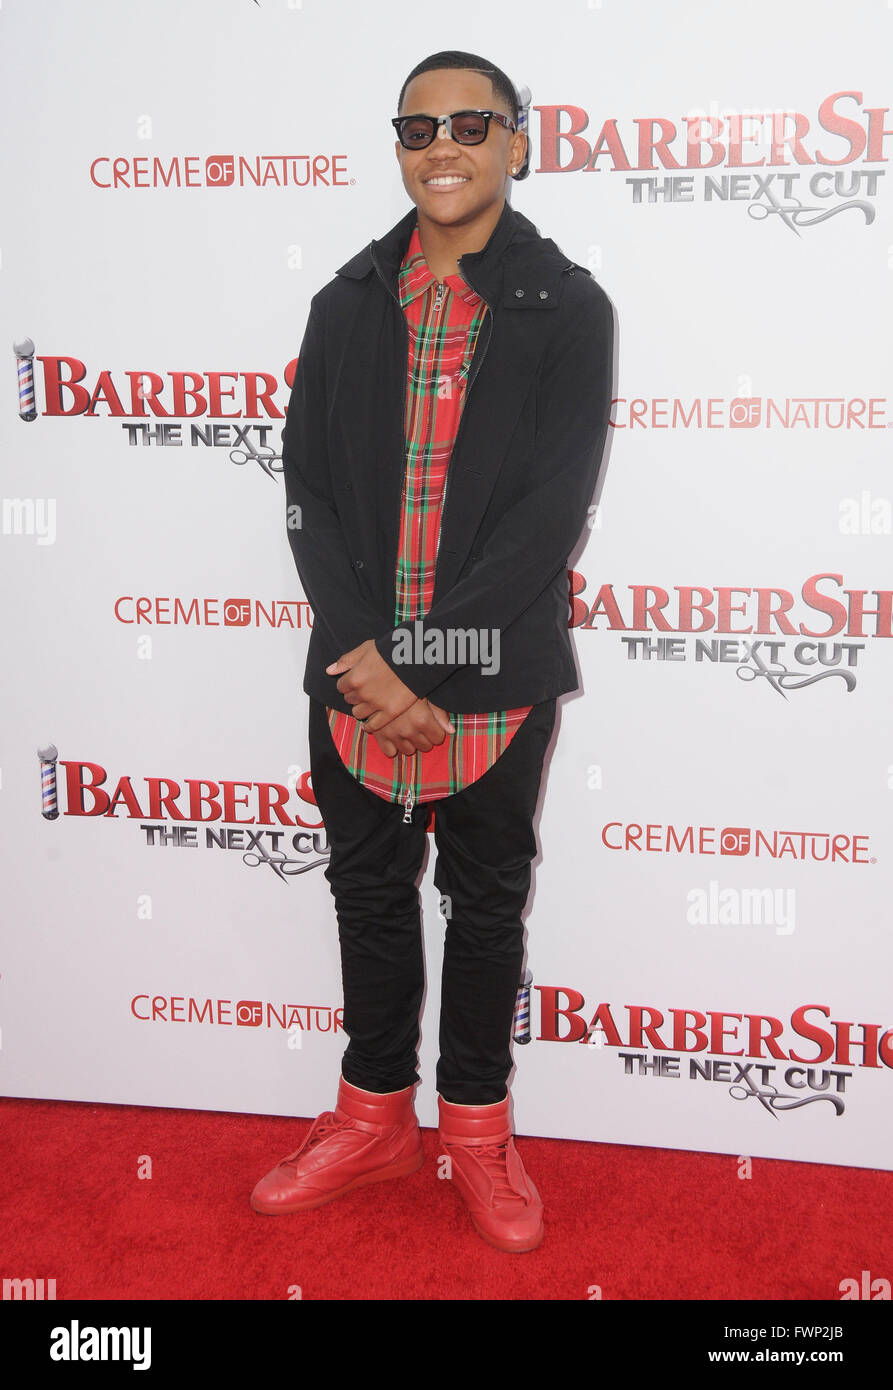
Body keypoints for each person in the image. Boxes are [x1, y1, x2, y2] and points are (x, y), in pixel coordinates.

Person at [251, 49, 614, 1253]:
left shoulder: (568, 306)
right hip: (353, 666)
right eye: (417, 128)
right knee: (365, 889)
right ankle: (368, 1119)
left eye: (469, 122)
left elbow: (546, 519)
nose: (441, 146)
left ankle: (474, 1127)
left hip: (487, 675)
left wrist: (423, 667)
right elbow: (305, 493)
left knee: (486, 898)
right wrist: (362, 651)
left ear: (518, 140)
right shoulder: (345, 300)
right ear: (398, 147)